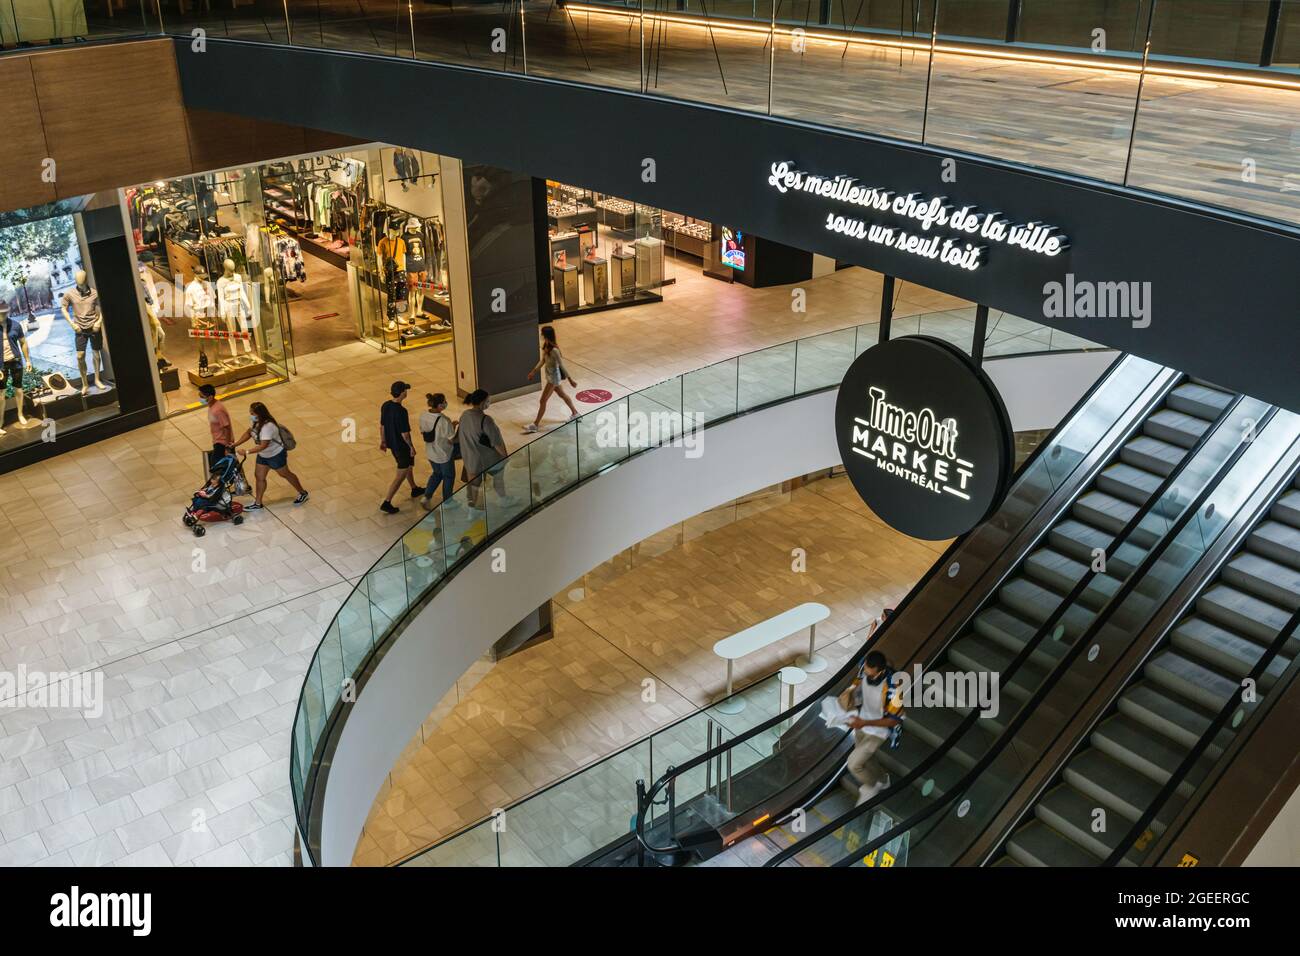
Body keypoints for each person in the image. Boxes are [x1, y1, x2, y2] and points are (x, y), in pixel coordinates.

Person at [843, 650, 904, 806]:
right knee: (867, 758)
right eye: (866, 672)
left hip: (878, 730)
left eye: (871, 675)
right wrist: (848, 698)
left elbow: (893, 721)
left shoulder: (894, 689)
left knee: (854, 764)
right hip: (862, 723)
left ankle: (871, 786)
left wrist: (864, 723)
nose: (867, 676)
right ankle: (883, 780)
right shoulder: (864, 668)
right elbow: (857, 685)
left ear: (881, 671)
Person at [232, 401, 308, 510]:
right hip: (263, 456)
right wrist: (236, 443)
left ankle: (302, 492)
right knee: (259, 477)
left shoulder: (268, 426)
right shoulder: (256, 422)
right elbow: (249, 432)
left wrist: (247, 452)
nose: (251, 416)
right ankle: (258, 503)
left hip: (276, 455)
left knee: (285, 474)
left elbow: (263, 445)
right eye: (251, 413)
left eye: (252, 413)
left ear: (260, 414)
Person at [522, 325, 579, 433]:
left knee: (542, 400)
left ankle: (535, 425)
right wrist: (533, 371)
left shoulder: (555, 350)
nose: (541, 335)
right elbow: (543, 360)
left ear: (546, 335)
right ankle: (575, 413)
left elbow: (561, 365)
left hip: (553, 379)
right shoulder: (546, 346)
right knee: (563, 395)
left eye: (542, 333)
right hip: (550, 377)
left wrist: (570, 380)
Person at [458, 389, 507, 509]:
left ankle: (472, 510)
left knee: (473, 486)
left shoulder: (464, 415)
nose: (489, 403)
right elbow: (496, 443)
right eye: (488, 401)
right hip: (486, 459)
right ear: (482, 403)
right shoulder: (486, 420)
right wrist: (505, 457)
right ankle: (503, 499)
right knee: (498, 477)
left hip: (470, 458)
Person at [379, 381, 422, 514]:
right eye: (405, 390)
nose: (407, 392)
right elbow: (405, 434)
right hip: (402, 446)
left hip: (392, 444)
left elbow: (382, 426)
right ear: (402, 392)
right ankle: (387, 502)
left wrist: (383, 441)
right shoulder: (402, 411)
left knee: (408, 466)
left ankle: (414, 488)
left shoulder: (385, 405)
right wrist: (411, 447)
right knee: (400, 475)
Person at [419, 392, 458, 510]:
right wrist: (454, 427)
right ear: (440, 405)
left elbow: (423, 431)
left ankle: (426, 497)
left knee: (436, 474)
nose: (446, 403)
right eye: (444, 402)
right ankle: (447, 501)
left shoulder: (423, 415)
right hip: (444, 454)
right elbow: (451, 440)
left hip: (431, 452)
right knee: (448, 476)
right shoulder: (444, 420)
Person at [198, 383, 234, 461]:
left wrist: (227, 447)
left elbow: (226, 427)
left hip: (222, 443)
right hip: (217, 441)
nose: (200, 399)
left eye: (202, 397)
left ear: (210, 397)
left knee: (217, 466)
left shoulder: (218, 410)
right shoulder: (212, 406)